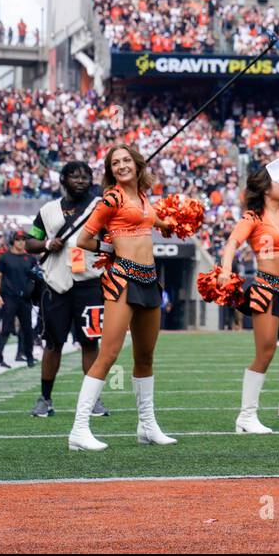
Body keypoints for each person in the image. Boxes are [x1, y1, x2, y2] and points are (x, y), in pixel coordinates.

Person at [67, 143, 177, 451]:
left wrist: (166, 223)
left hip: (149, 279)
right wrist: (109, 250)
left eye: (126, 160)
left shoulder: (142, 197)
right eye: (116, 163)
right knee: (109, 354)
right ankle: (79, 429)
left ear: (137, 163)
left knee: (145, 356)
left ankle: (147, 426)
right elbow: (83, 239)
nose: (122, 166)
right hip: (122, 278)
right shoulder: (111, 197)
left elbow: (150, 220)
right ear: (110, 170)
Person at [217, 166, 279, 433]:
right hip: (265, 289)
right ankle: (246, 416)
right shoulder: (253, 217)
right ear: (264, 188)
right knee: (266, 351)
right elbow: (231, 244)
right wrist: (226, 272)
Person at [25, 161, 109, 419]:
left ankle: (92, 400)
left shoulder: (100, 207)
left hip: (90, 284)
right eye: (75, 176)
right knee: (53, 343)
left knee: (90, 342)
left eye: (86, 176)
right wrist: (48, 243)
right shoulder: (48, 210)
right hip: (56, 286)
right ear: (63, 179)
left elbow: (111, 240)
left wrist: (95, 246)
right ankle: (45, 398)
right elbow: (30, 242)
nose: (81, 181)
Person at [0, 232, 37, 368]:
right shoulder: (5, 258)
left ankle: (29, 356)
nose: (21, 242)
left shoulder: (30, 258)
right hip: (9, 297)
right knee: (6, 328)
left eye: (23, 240)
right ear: (13, 241)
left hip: (25, 299)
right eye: (18, 240)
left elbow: (35, 278)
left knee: (27, 329)